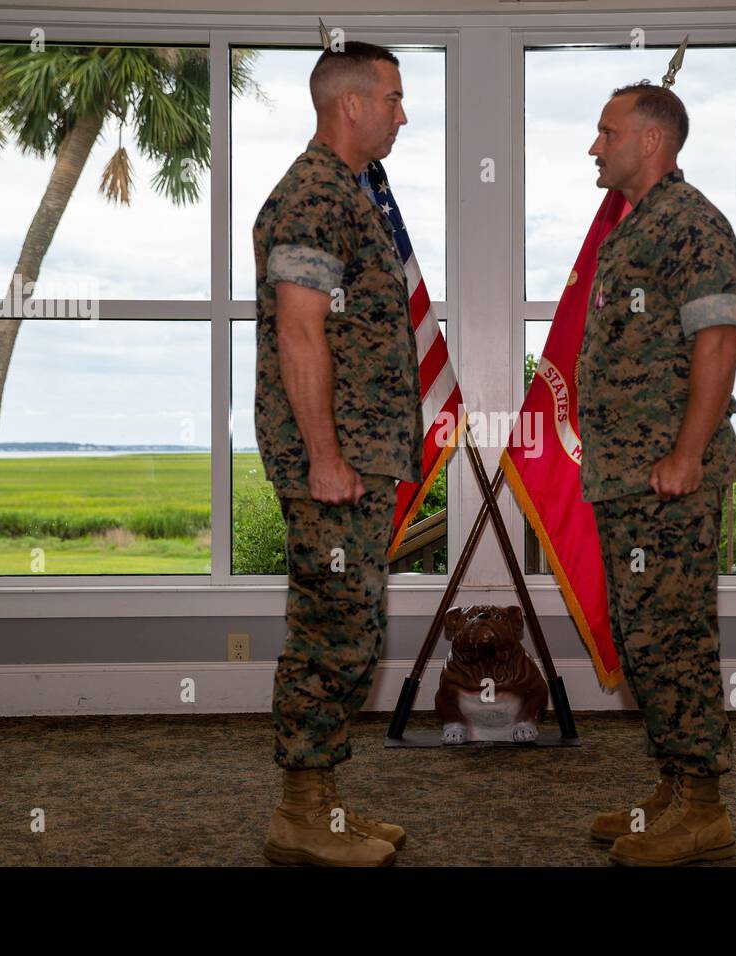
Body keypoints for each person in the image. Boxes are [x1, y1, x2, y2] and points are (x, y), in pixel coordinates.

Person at [253, 41, 423, 867]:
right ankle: (299, 815)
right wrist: (325, 457)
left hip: (358, 460)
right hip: (334, 465)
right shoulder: (313, 195)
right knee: (331, 635)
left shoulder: (350, 195)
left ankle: (321, 802)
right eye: (392, 97)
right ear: (350, 104)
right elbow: (299, 329)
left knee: (351, 629)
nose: (402, 111)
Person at [576, 81, 736, 866]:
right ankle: (674, 788)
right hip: (628, 478)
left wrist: (685, 453)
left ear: (651, 141)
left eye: (606, 132)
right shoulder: (632, 227)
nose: (594, 145)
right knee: (646, 639)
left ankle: (704, 807)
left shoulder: (692, 224)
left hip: (667, 479)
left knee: (675, 637)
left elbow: (719, 339)